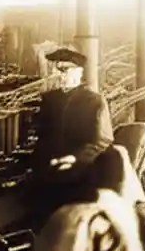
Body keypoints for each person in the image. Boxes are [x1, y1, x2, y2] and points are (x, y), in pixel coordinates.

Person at [29, 47, 115, 228]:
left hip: (80, 177)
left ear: (79, 72)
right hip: (48, 175)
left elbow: (102, 141)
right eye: (57, 69)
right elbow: (41, 134)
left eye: (64, 70)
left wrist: (75, 158)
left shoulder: (94, 101)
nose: (59, 75)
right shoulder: (49, 99)